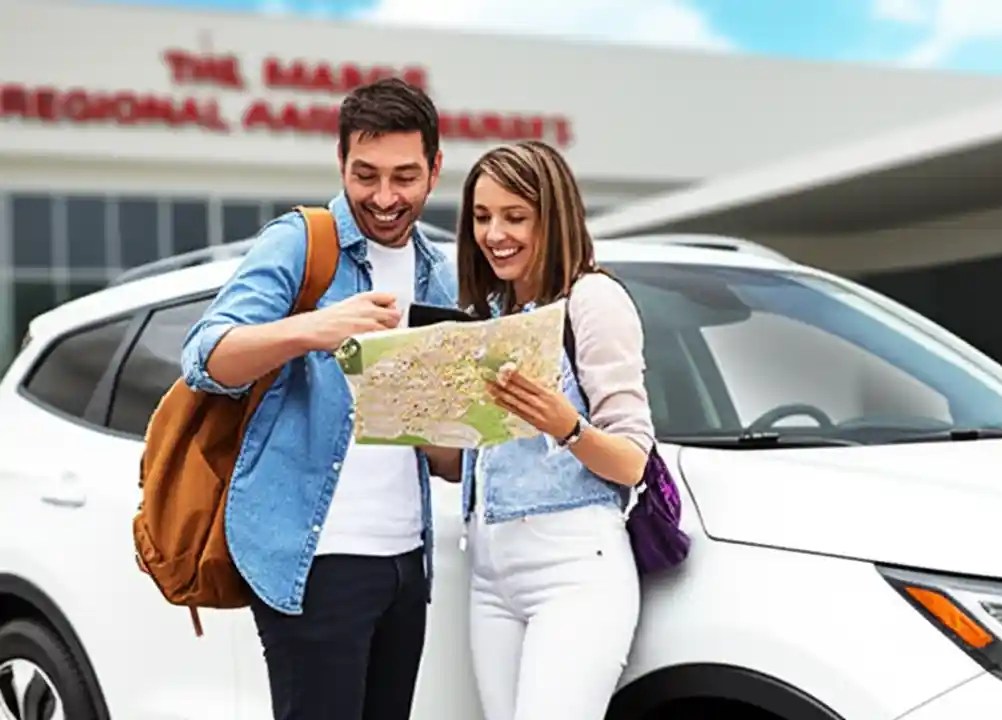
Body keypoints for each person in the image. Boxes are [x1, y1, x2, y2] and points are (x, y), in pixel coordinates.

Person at [178, 77, 460, 720]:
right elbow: (204, 357)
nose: (384, 198)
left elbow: (439, 455)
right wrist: (316, 329)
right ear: (340, 163)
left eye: (404, 177)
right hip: (315, 559)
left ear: (435, 169)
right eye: (365, 175)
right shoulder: (302, 242)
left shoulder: (437, 273)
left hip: (405, 562)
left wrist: (481, 418)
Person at [446, 140, 656, 720]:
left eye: (515, 217)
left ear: (552, 217)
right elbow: (474, 460)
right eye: (483, 217)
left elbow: (632, 459)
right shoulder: (491, 314)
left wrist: (566, 426)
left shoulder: (593, 300)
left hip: (573, 571)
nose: (495, 234)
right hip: (490, 576)